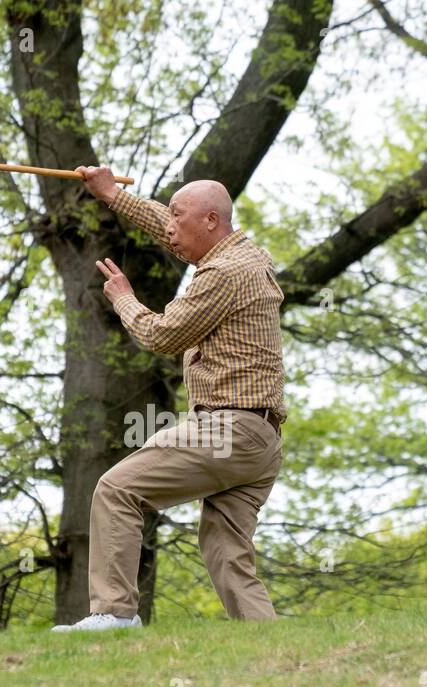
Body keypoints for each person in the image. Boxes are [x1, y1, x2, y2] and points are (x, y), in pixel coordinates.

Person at [51, 166, 286, 632]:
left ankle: (114, 615)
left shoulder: (222, 274)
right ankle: (270, 645)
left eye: (181, 218)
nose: (171, 229)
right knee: (228, 552)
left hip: (227, 432)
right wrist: (112, 195)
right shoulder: (247, 256)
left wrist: (122, 298)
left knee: (117, 490)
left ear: (211, 222)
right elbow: (171, 226)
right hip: (261, 442)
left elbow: (162, 335)